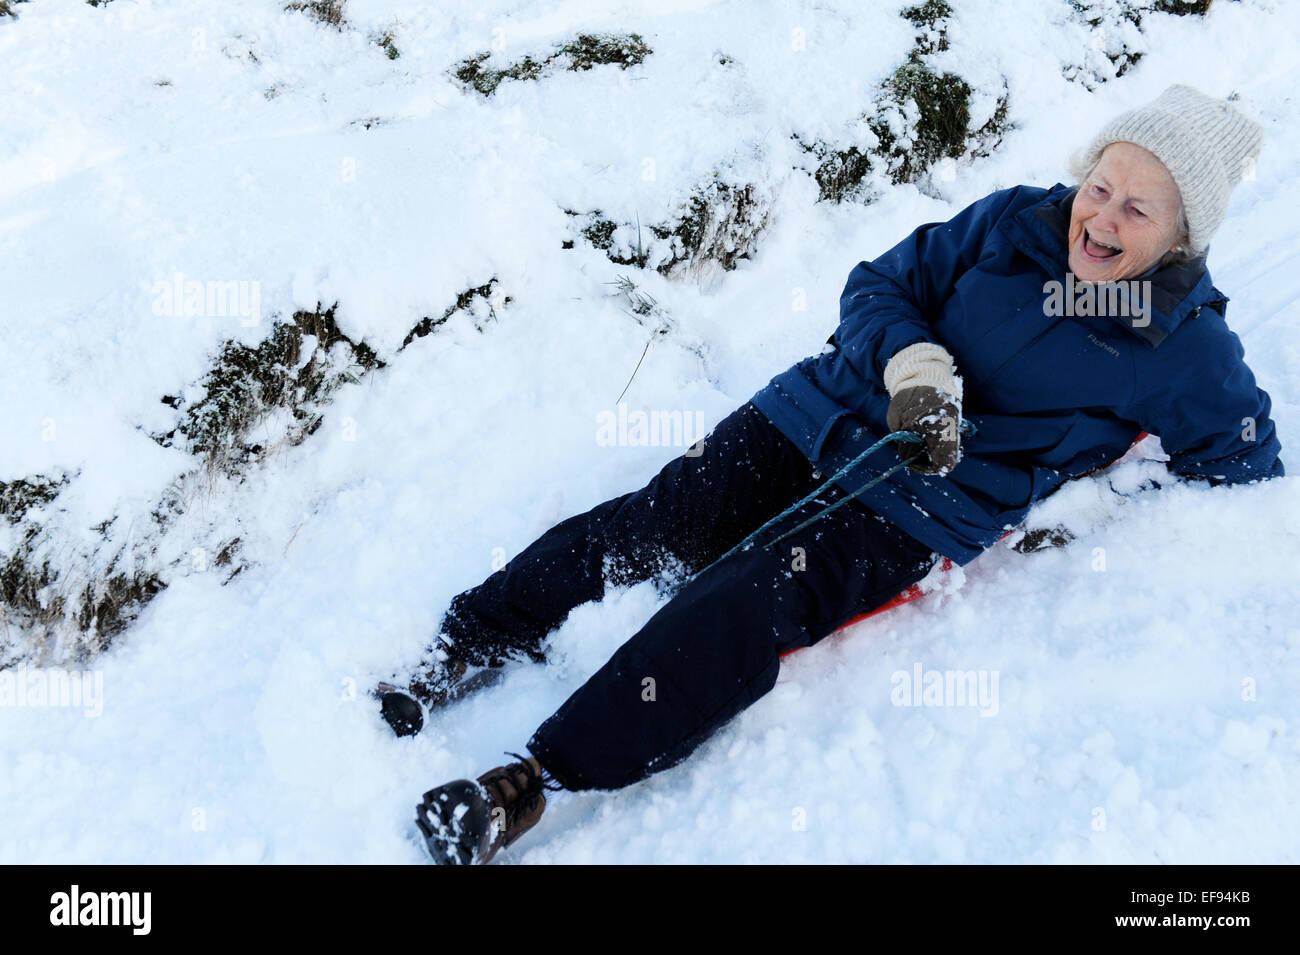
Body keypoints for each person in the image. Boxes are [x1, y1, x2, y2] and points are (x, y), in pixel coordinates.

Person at [389, 84, 1283, 864]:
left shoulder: (1185, 347)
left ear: (1181, 235)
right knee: (651, 524)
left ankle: (532, 780)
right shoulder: (1015, 220)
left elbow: (1246, 461)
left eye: (1139, 210)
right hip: (823, 407)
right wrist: (912, 366)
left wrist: (1094, 501)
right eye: (1102, 187)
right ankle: (461, 645)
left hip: (918, 502)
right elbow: (876, 284)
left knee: (735, 605)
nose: (1102, 218)